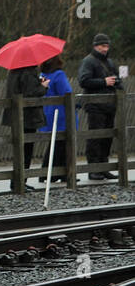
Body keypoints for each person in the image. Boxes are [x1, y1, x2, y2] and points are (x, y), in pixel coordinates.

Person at [77, 33, 123, 180]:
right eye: (102, 46)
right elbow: (83, 81)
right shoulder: (88, 61)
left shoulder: (109, 62)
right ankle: (93, 169)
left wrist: (116, 82)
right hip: (95, 105)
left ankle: (104, 168)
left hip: (110, 104)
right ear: (95, 46)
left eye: (107, 46)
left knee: (107, 138)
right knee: (95, 138)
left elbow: (117, 79)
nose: (105, 48)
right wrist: (103, 82)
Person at [8, 64, 49, 189]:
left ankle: (18, 182)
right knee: (26, 150)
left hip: (16, 114)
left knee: (20, 149)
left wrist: (37, 82)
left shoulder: (14, 70)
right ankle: (20, 182)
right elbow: (31, 93)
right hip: (28, 116)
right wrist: (43, 87)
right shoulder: (28, 71)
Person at [37, 56, 76, 183]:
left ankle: (49, 173)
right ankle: (56, 173)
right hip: (61, 112)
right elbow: (66, 92)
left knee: (55, 143)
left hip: (48, 111)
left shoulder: (42, 75)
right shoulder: (59, 75)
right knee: (62, 143)